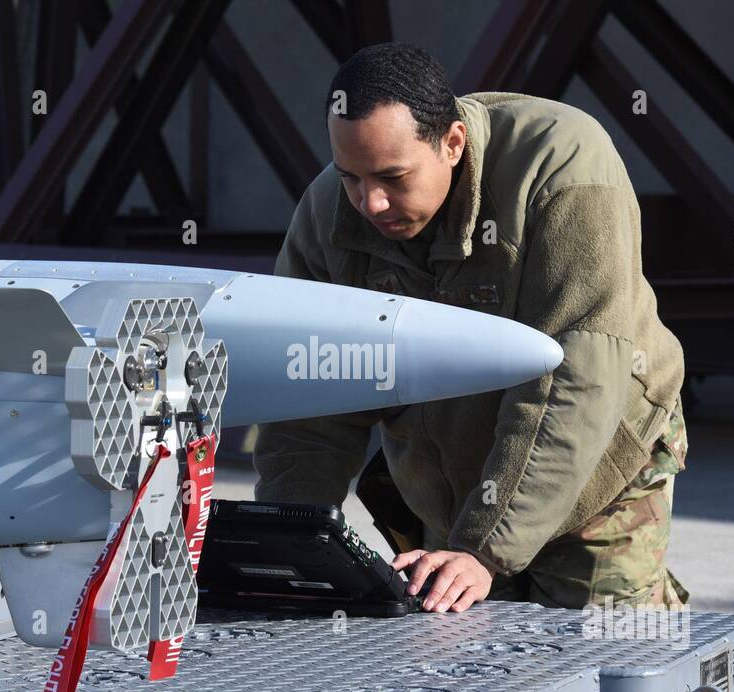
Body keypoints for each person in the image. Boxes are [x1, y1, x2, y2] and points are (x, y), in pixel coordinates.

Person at [254, 43, 690, 614]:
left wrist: (483, 550)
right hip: (449, 488)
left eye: (393, 177)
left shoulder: (562, 165)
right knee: (470, 679)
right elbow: (308, 398)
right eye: (351, 178)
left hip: (599, 474)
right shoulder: (327, 213)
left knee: (607, 670)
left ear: (453, 143)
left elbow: (576, 376)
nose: (371, 202)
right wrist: (290, 540)